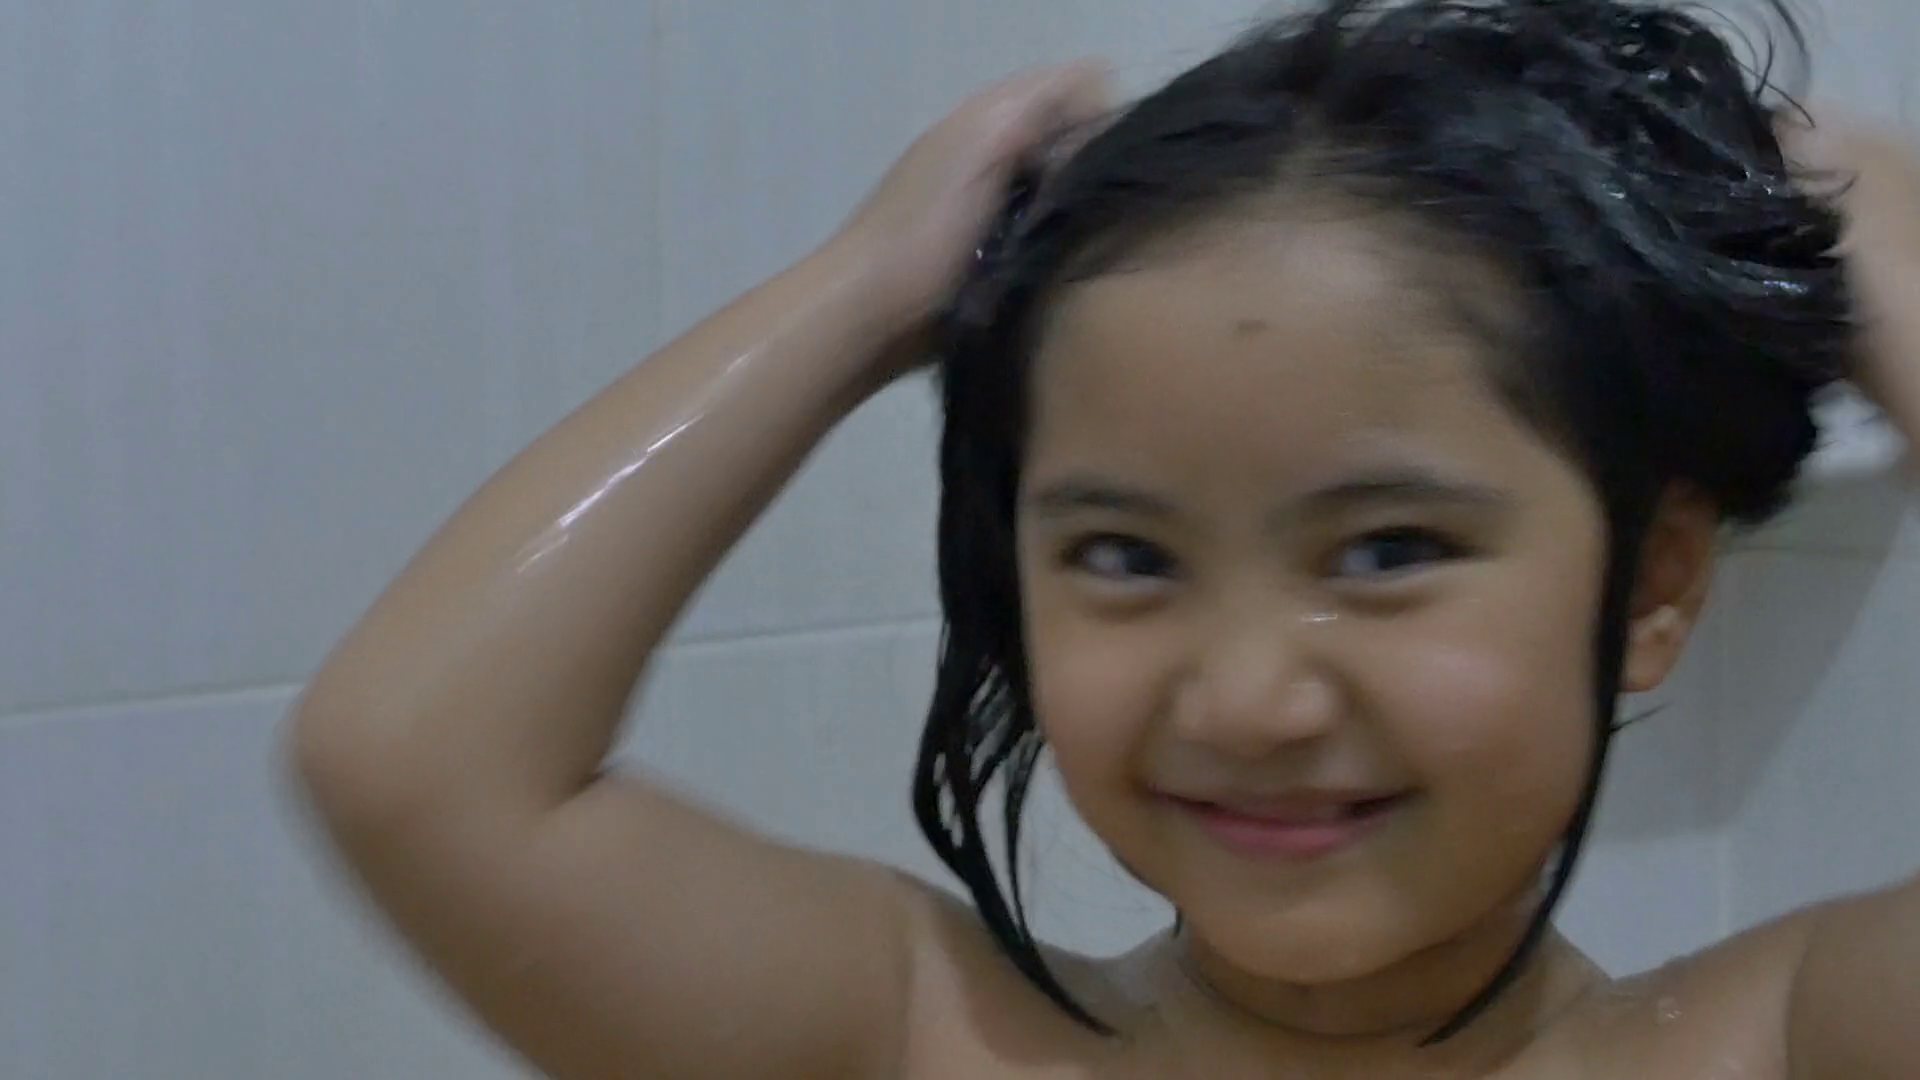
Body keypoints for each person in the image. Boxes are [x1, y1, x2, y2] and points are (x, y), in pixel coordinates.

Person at [287, 2, 1920, 1077]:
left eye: (1388, 551)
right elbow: (417, 766)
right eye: (1128, 558)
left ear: (1655, 581)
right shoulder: (921, 1039)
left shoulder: (1779, 1048)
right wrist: (867, 293)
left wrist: (1873, 232)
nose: (1246, 702)